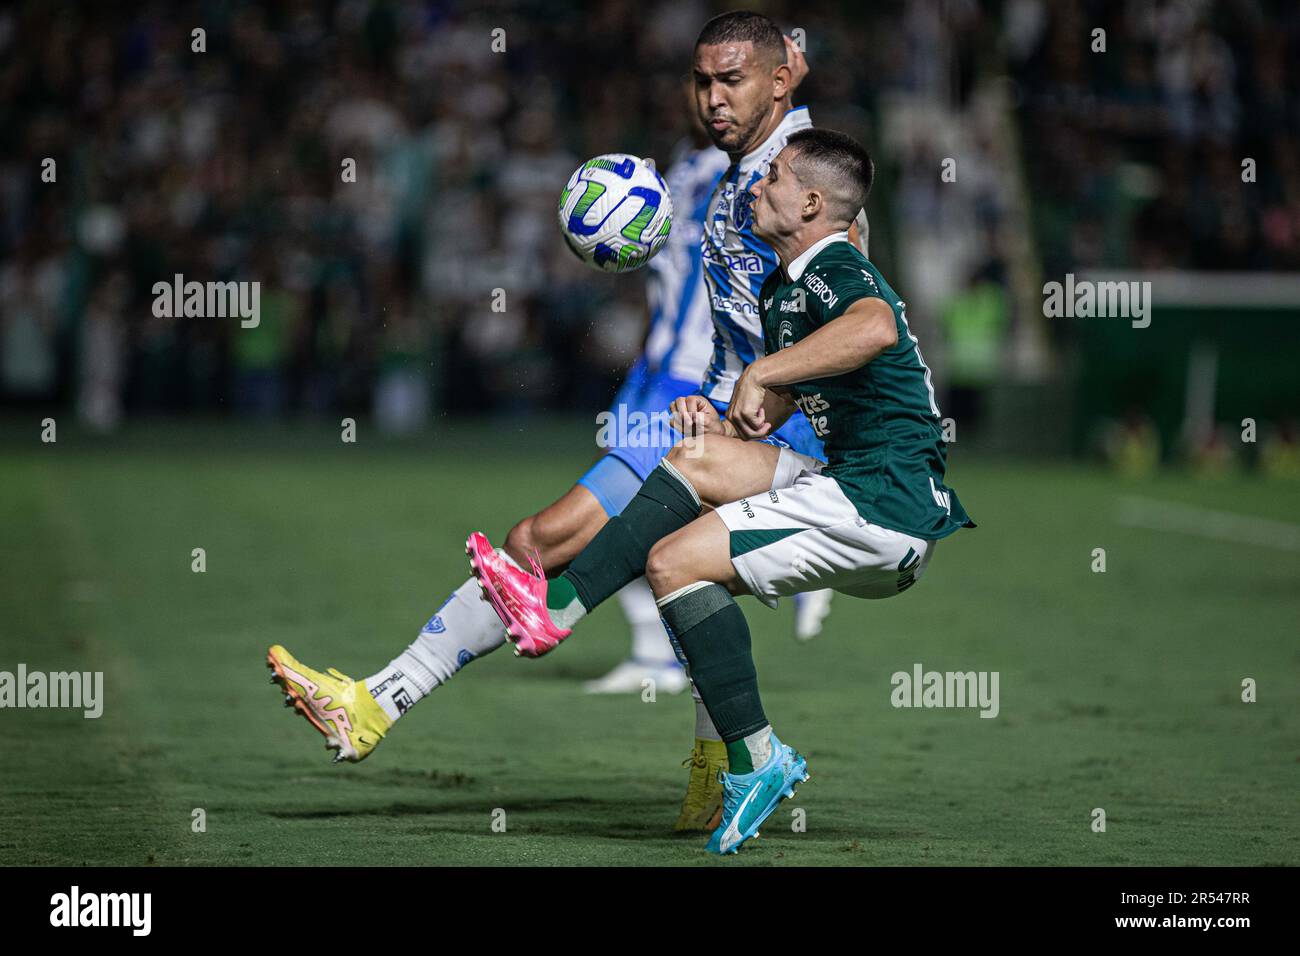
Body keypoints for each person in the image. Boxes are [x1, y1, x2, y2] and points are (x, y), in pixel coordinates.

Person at [267, 10, 846, 833]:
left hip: (763, 429)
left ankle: (376, 702)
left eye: (732, 81)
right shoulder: (729, 174)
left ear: (784, 76)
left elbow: (843, 320)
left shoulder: (801, 182)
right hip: (704, 408)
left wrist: (762, 413)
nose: (711, 99)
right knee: (684, 571)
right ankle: (718, 773)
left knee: (544, 543)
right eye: (702, 81)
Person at [468, 128, 975, 854]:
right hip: (855, 481)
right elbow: (771, 411)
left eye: (774, 178)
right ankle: (563, 611)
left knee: (673, 563)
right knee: (697, 462)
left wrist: (764, 371)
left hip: (880, 506)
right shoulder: (784, 289)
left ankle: (754, 754)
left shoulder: (833, 267)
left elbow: (875, 327)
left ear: (808, 203)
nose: (759, 184)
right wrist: (724, 410)